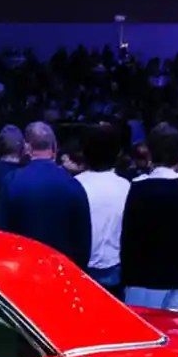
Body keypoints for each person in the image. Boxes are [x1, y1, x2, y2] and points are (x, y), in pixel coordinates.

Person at [120, 126, 178, 310]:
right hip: (175, 279)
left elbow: (126, 235)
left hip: (138, 280)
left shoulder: (136, 188)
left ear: (150, 152)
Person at [0, 122, 92, 268]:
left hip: (22, 269)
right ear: (54, 147)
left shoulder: (10, 182)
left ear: (26, 147)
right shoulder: (73, 185)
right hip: (61, 272)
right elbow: (83, 243)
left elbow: (0, 234)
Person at [75, 125, 131, 291]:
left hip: (87, 269)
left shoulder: (75, 185)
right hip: (110, 269)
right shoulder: (126, 187)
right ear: (118, 153)